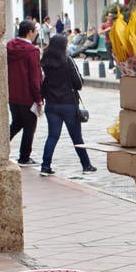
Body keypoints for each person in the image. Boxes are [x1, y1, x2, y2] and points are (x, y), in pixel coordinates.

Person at [39, 34, 96, 176]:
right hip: (68, 104)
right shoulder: (67, 61)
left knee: (52, 136)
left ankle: (45, 166)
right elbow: (78, 83)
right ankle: (86, 165)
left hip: (51, 105)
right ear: (63, 46)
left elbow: (42, 83)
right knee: (77, 137)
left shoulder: (44, 62)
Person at [6, 19, 43, 166]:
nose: (35, 34)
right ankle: (24, 157)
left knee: (17, 123)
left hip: (13, 94)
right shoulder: (32, 51)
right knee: (29, 126)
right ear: (30, 32)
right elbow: (34, 77)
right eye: (35, 31)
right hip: (27, 96)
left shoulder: (9, 47)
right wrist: (39, 98)